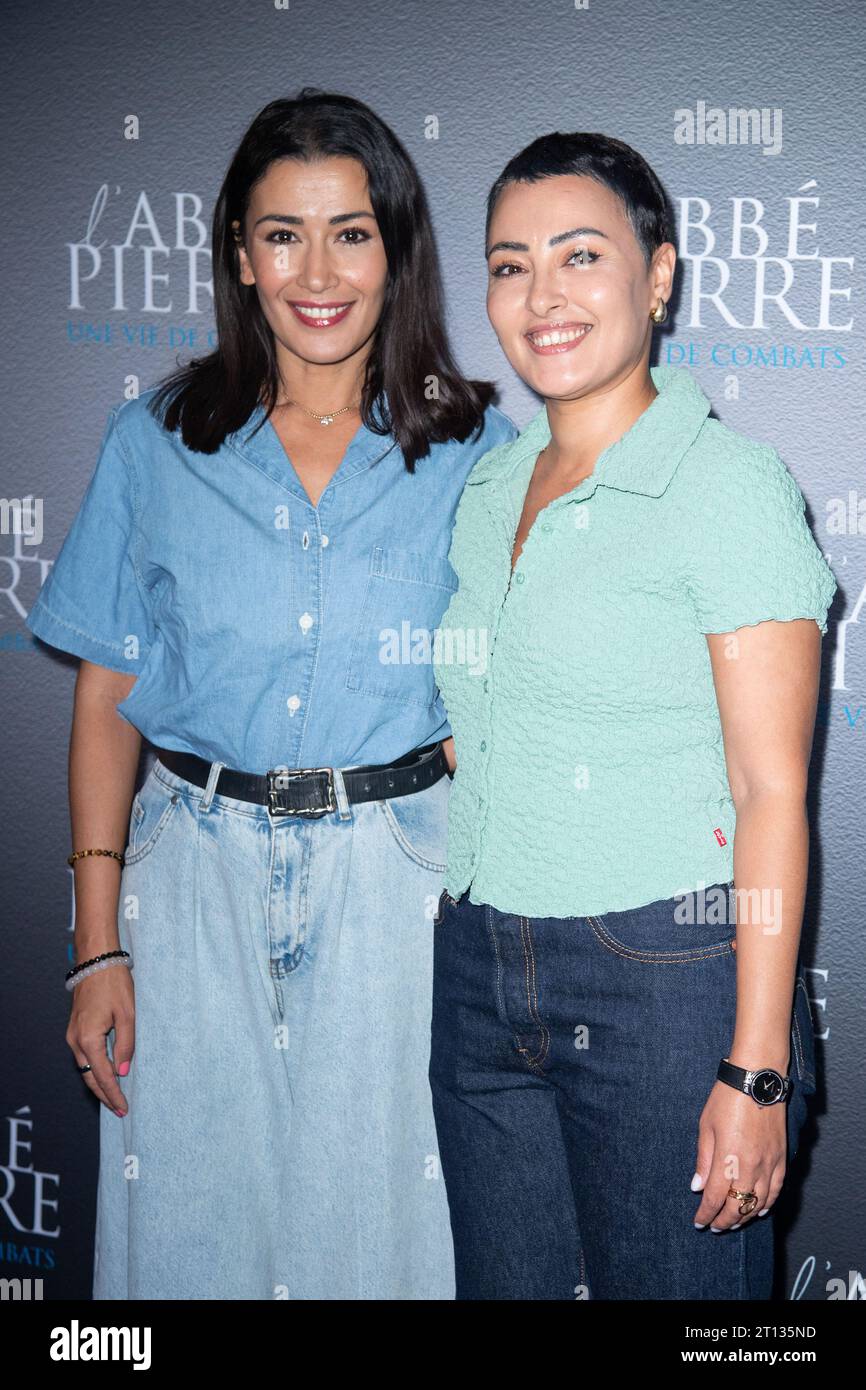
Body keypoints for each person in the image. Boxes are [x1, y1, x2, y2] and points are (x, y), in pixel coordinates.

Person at [26, 88, 516, 1300]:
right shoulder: (157, 440)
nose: (318, 270)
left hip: (395, 884)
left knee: (387, 1245)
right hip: (189, 876)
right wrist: (97, 949)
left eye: (350, 231)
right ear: (239, 256)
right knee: (182, 1244)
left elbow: (493, 717)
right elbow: (107, 703)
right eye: (281, 233)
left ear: (394, 249)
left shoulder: (476, 454)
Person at [428, 132, 835, 1301]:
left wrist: (756, 1067)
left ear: (656, 277)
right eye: (509, 265)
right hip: (476, 967)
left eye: (578, 255)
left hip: (659, 974)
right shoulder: (490, 484)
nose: (539, 296)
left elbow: (770, 795)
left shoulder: (726, 486)